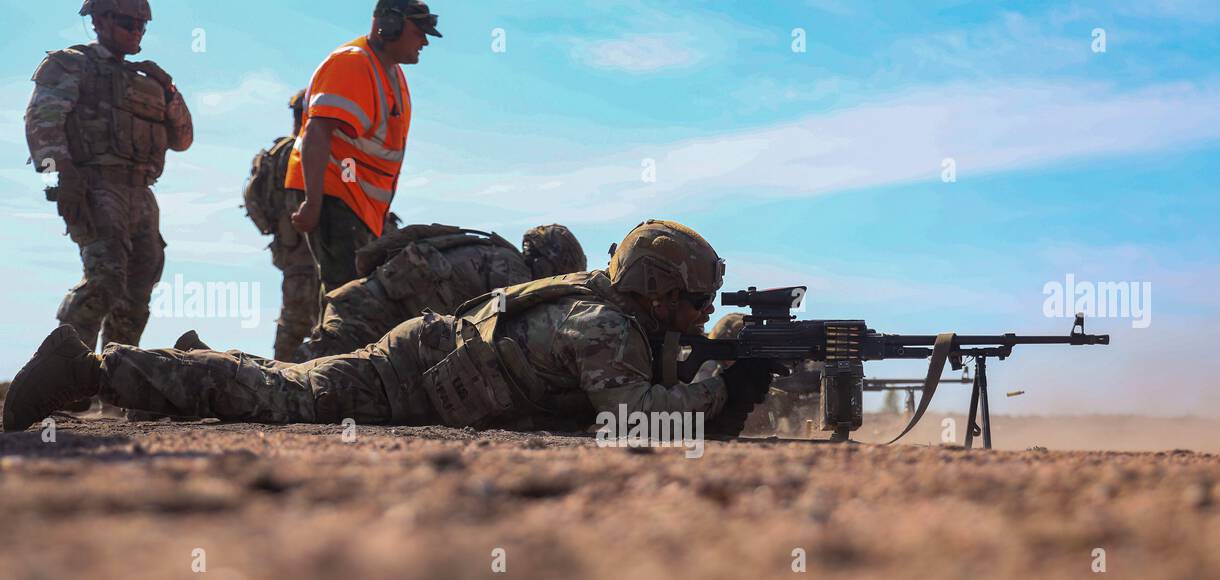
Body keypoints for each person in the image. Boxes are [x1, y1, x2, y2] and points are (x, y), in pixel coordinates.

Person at [3, 221, 775, 437]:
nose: (701, 314)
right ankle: (95, 371)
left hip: (427, 366)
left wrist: (716, 372)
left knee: (285, 385)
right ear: (654, 289)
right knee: (284, 399)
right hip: (406, 378)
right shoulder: (603, 324)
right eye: (694, 300)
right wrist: (716, 389)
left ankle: (196, 364)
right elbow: (632, 420)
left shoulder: (614, 315)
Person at [25, 0, 193, 355]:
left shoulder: (148, 81)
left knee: (138, 290)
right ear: (100, 20)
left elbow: (183, 139)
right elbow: (42, 122)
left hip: (142, 194)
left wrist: (170, 89)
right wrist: (59, 180)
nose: (136, 32)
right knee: (104, 280)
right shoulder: (71, 64)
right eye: (127, 23)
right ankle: (65, 371)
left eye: (142, 26)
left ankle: (117, 385)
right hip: (95, 185)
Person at [287, 1, 439, 305]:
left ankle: (330, 351)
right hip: (335, 198)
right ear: (390, 24)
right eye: (418, 31)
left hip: (359, 207)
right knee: (348, 302)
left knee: (352, 299)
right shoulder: (353, 63)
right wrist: (313, 203)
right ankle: (330, 352)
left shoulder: (391, 74)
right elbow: (317, 132)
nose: (424, 41)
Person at [297, 223, 588, 360]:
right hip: (363, 317)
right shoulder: (512, 272)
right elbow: (501, 338)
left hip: (356, 303)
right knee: (304, 376)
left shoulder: (494, 252)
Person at [244, 91, 318, 361]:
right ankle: (283, 382)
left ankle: (281, 380)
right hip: (309, 252)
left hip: (292, 253)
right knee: (302, 323)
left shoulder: (278, 153)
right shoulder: (300, 153)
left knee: (294, 322)